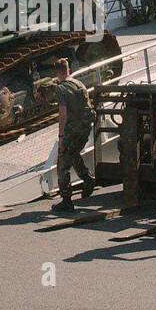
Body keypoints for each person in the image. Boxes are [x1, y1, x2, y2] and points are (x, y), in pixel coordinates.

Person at [51, 58, 95, 213]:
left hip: (72, 130)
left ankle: (66, 200)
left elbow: (62, 113)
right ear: (68, 70)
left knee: (63, 163)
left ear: (57, 72)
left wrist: (61, 136)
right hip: (84, 128)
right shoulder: (79, 84)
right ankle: (88, 179)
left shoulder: (61, 88)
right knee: (73, 153)